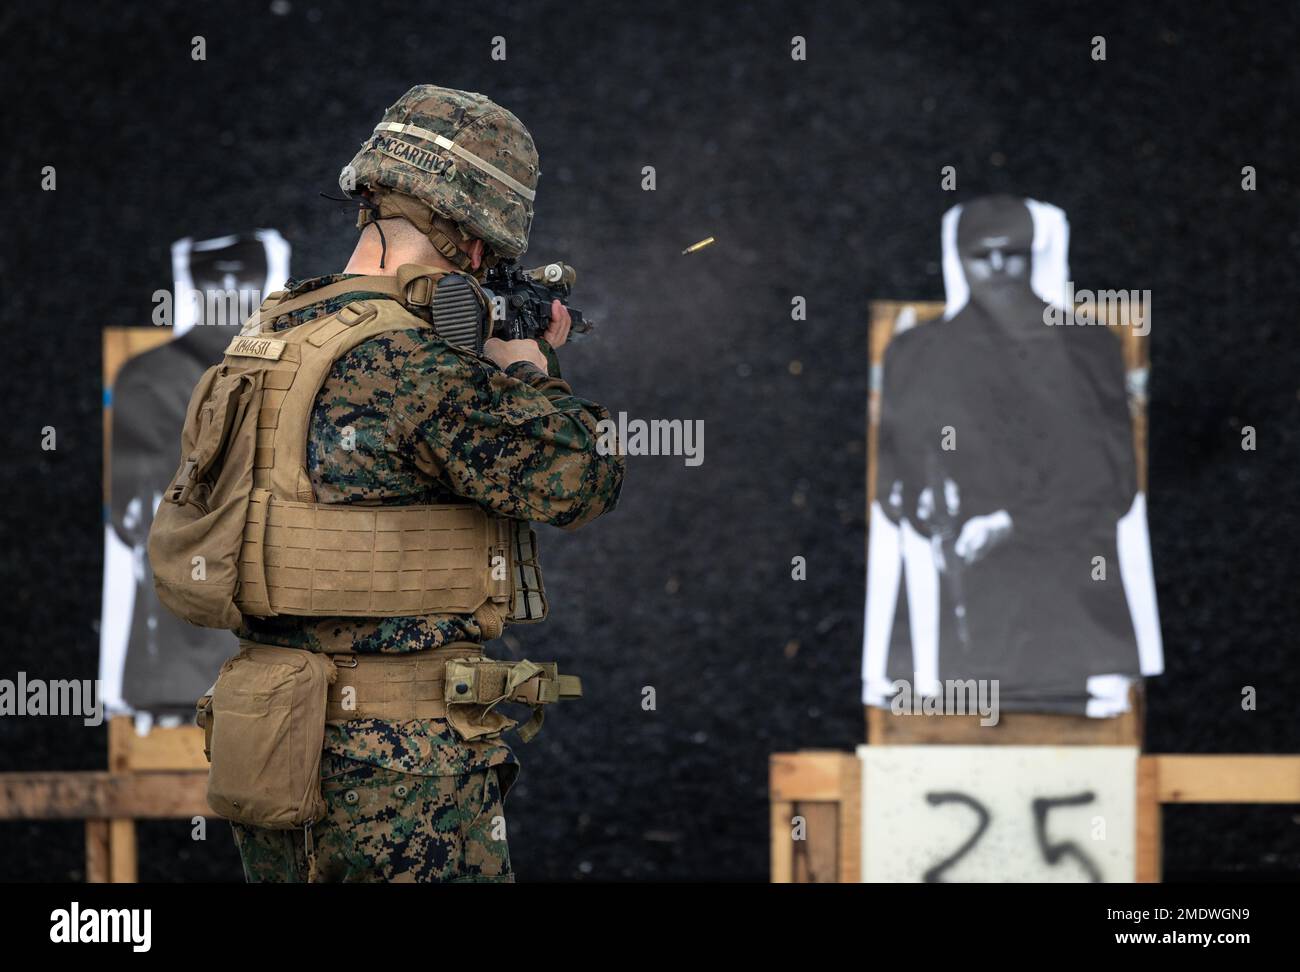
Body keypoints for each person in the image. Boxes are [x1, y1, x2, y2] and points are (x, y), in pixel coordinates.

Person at [182, 85, 624, 882]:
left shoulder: (273, 336)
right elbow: (580, 481)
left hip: (268, 739)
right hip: (399, 764)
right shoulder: (418, 367)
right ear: (471, 239)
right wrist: (531, 370)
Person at [865, 195, 1158, 714]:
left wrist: (1012, 522)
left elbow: (1112, 480)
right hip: (954, 596)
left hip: (1061, 585)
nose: (997, 268)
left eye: (1012, 253)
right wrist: (921, 501)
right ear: (959, 258)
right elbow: (894, 468)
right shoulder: (919, 351)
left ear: (1033, 256)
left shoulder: (1085, 347)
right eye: (981, 255)